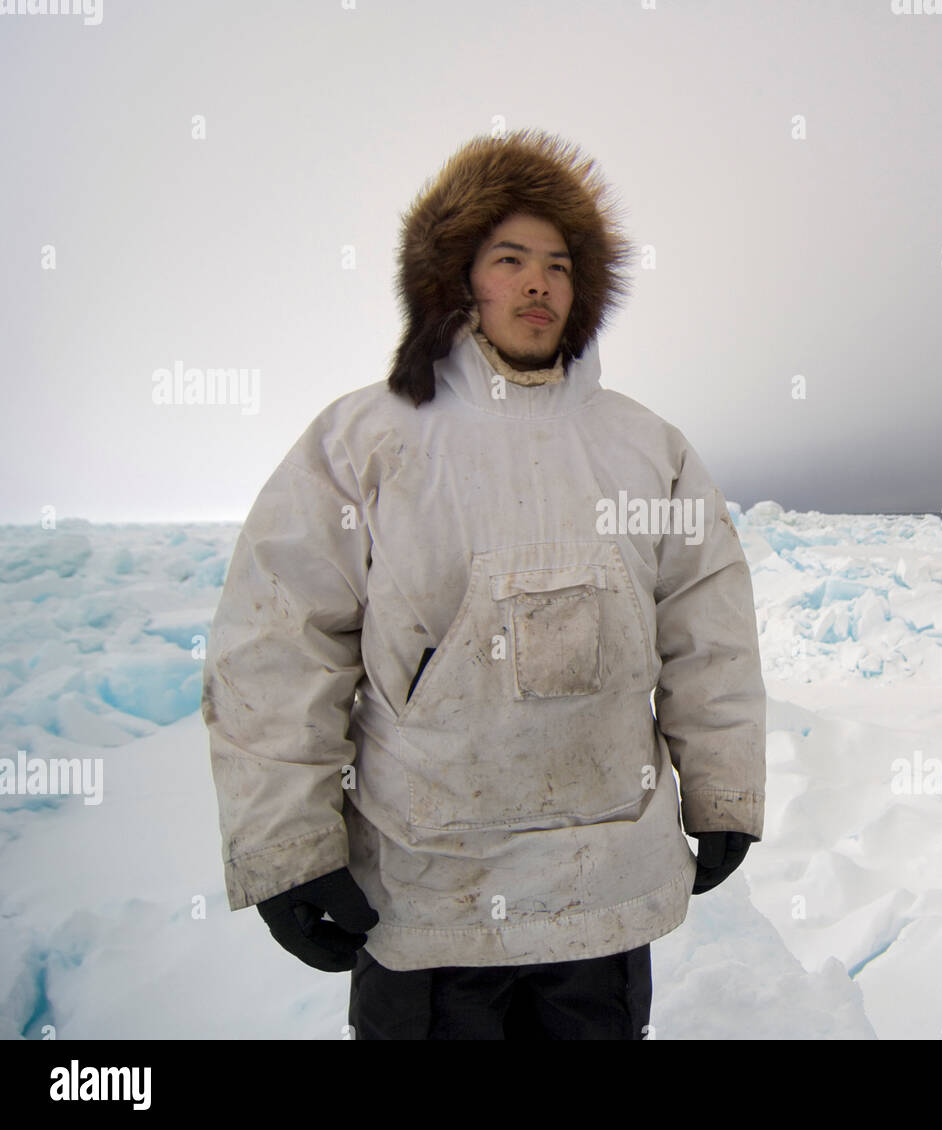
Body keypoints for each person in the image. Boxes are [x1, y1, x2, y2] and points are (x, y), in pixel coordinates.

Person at [201, 127, 766, 1040]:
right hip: (428, 893)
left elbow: (709, 634)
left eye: (558, 264)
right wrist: (287, 850)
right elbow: (280, 642)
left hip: (603, 888)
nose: (539, 282)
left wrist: (725, 788)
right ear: (456, 276)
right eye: (510, 258)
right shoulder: (367, 440)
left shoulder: (646, 448)